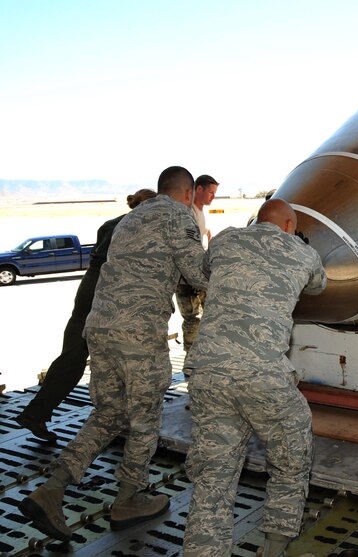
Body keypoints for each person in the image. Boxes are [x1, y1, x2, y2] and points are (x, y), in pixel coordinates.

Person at [19, 166, 209, 542]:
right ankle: (130, 497)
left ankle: (51, 490)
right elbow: (199, 274)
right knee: (144, 418)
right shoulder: (178, 216)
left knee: (109, 413)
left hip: (100, 327)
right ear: (187, 193)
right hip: (137, 334)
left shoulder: (131, 218)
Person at [182, 199, 326, 557]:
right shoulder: (302, 253)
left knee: (214, 474)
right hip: (261, 375)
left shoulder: (227, 239)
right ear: (290, 224)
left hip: (208, 373)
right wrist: (300, 248)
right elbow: (320, 286)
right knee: (292, 456)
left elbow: (205, 269)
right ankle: (275, 546)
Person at [14, 189, 157, 442]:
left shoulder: (109, 224)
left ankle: (37, 412)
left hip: (88, 287)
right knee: (119, 357)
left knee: (73, 354)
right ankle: (113, 419)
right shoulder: (137, 228)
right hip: (107, 291)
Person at [175, 174, 219, 351]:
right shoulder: (187, 212)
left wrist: (209, 236)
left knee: (209, 314)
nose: (213, 197)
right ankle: (190, 358)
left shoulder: (198, 211)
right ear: (198, 189)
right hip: (186, 276)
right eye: (211, 192)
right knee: (193, 318)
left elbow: (202, 232)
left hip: (199, 271)